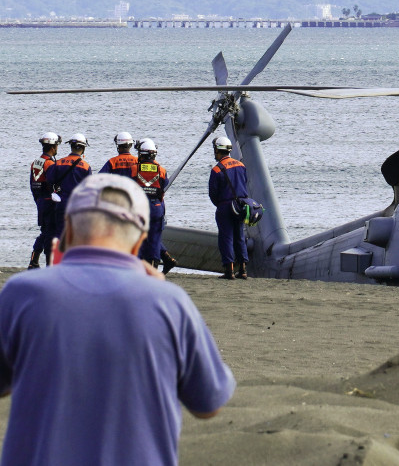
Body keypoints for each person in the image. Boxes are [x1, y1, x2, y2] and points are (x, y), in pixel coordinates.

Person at [0, 174, 235, 466]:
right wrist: (159, 289)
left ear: (69, 228)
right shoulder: (170, 303)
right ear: (139, 242)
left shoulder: (22, 294)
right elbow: (208, 404)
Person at [208, 136, 248, 280]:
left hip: (225, 205)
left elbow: (213, 193)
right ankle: (243, 269)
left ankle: (229, 270)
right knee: (240, 237)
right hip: (240, 205)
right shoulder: (241, 165)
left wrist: (220, 204)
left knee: (226, 238)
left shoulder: (217, 170)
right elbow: (245, 183)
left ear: (218, 150)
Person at [45, 133, 92, 242]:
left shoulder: (58, 163)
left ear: (71, 146)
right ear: (83, 148)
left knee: (59, 235)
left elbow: (49, 180)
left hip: (61, 203)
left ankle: (57, 258)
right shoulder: (86, 167)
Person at [132, 138, 170, 270]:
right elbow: (165, 187)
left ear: (141, 154)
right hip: (156, 208)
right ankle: (153, 268)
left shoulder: (134, 169)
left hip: (140, 208)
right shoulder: (162, 170)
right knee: (154, 239)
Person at [28, 132, 61, 268]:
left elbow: (33, 184)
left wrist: (38, 200)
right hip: (49, 202)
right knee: (50, 232)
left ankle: (34, 260)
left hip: (40, 200)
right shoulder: (49, 164)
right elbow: (53, 183)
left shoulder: (36, 162)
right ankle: (48, 263)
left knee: (44, 231)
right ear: (53, 147)